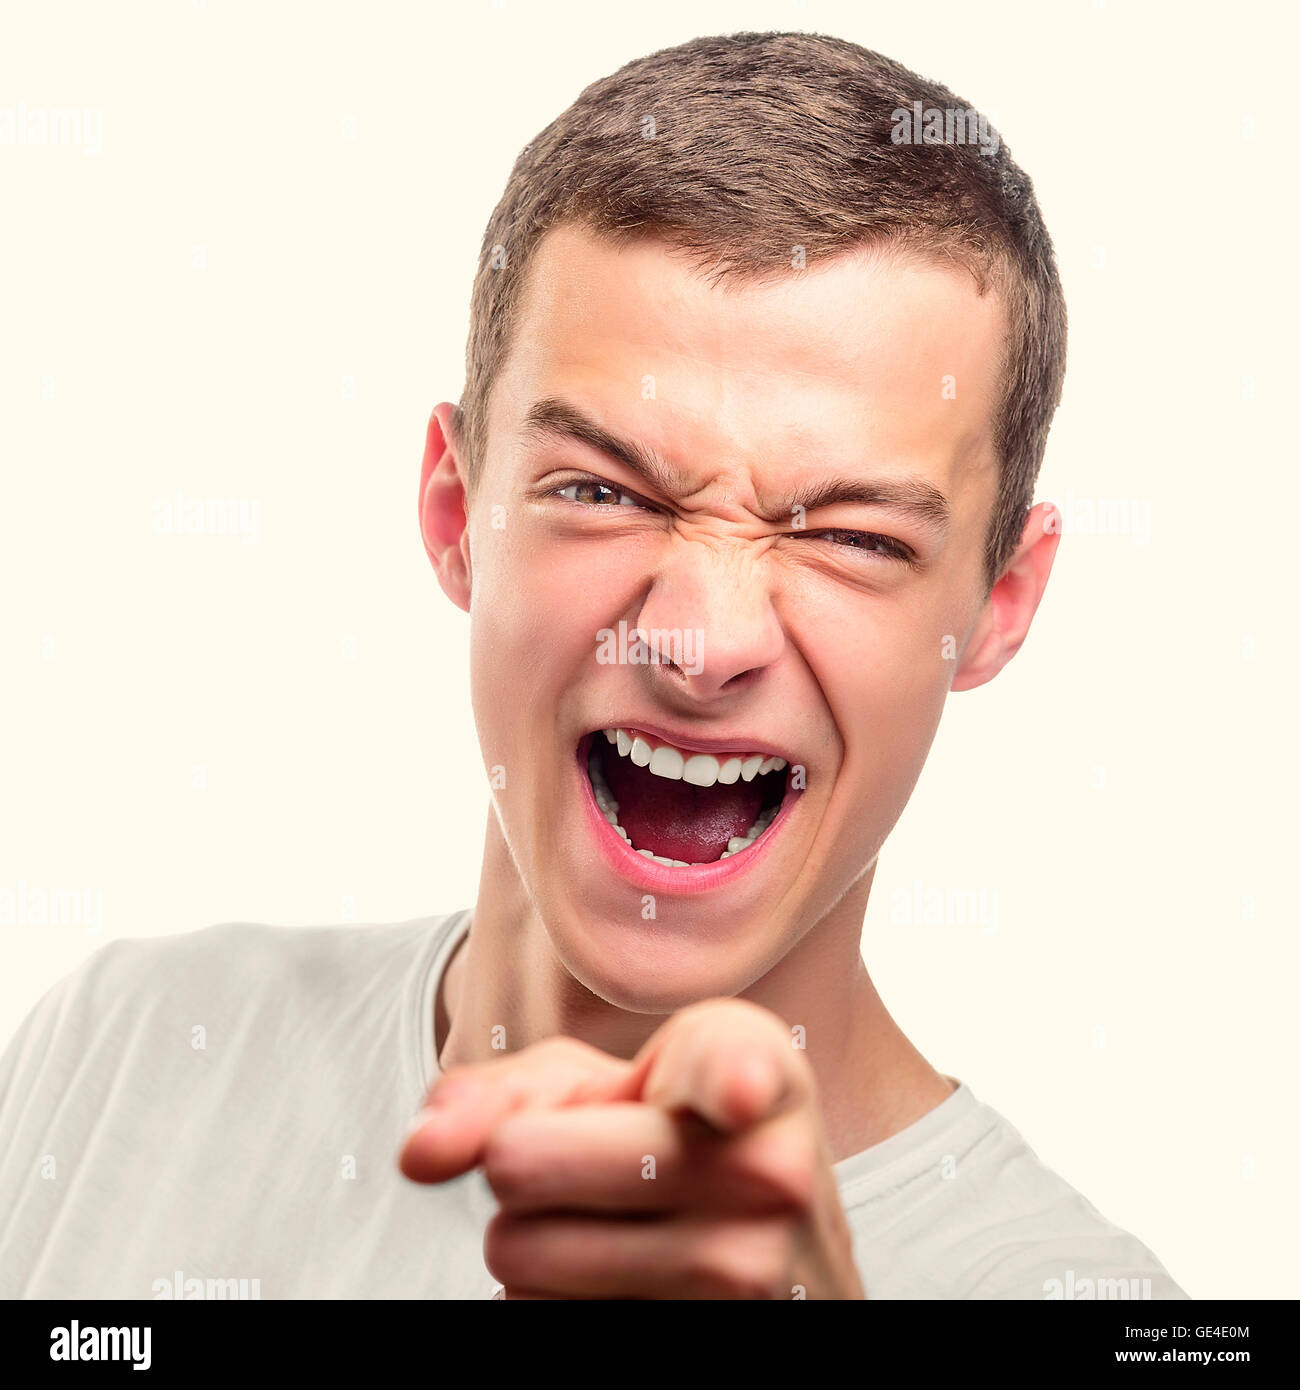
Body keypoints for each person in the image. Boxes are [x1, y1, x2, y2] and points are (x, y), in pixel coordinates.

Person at [0, 31, 1185, 1300]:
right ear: (456, 513)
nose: (698, 640)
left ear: (1001, 603)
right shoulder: (124, 1049)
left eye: (849, 536)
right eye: (603, 490)